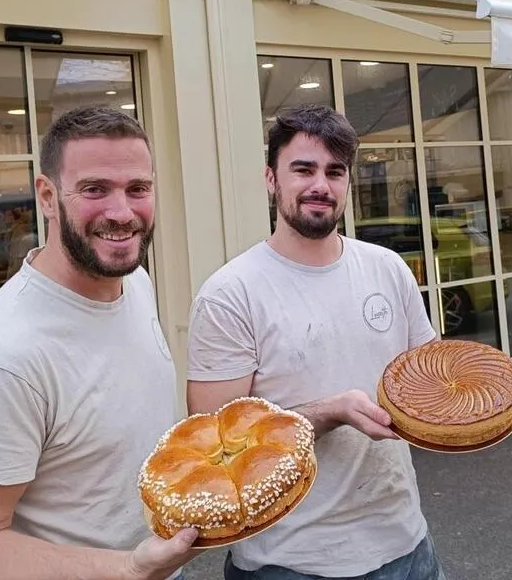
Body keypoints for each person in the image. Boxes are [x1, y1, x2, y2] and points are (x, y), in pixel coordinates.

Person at [0, 107, 198, 580]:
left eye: (138, 189)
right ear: (47, 196)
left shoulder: (134, 281)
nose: (122, 212)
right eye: (95, 189)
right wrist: (131, 567)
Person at [186, 105, 446, 580]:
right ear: (271, 178)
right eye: (302, 169)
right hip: (289, 559)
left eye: (334, 171)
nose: (320, 186)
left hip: (405, 542)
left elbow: (428, 375)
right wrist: (328, 412)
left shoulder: (387, 268)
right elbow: (216, 444)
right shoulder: (232, 293)